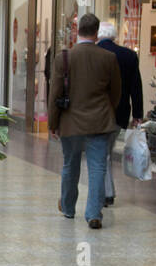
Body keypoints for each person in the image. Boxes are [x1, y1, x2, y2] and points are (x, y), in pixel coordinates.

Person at [49, 13, 121, 229]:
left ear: (77, 30)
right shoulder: (109, 58)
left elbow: (55, 94)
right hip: (99, 122)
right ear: (97, 33)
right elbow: (116, 92)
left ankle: (69, 208)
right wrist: (106, 111)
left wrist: (53, 123)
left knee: (70, 165)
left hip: (70, 122)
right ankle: (93, 213)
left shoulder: (64, 58)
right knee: (98, 168)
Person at [96, 21, 144, 208]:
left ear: (98, 35)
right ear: (115, 36)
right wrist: (138, 114)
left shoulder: (95, 54)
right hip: (121, 113)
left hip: (98, 113)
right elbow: (136, 87)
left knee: (102, 153)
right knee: (105, 151)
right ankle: (107, 191)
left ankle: (107, 192)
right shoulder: (129, 55)